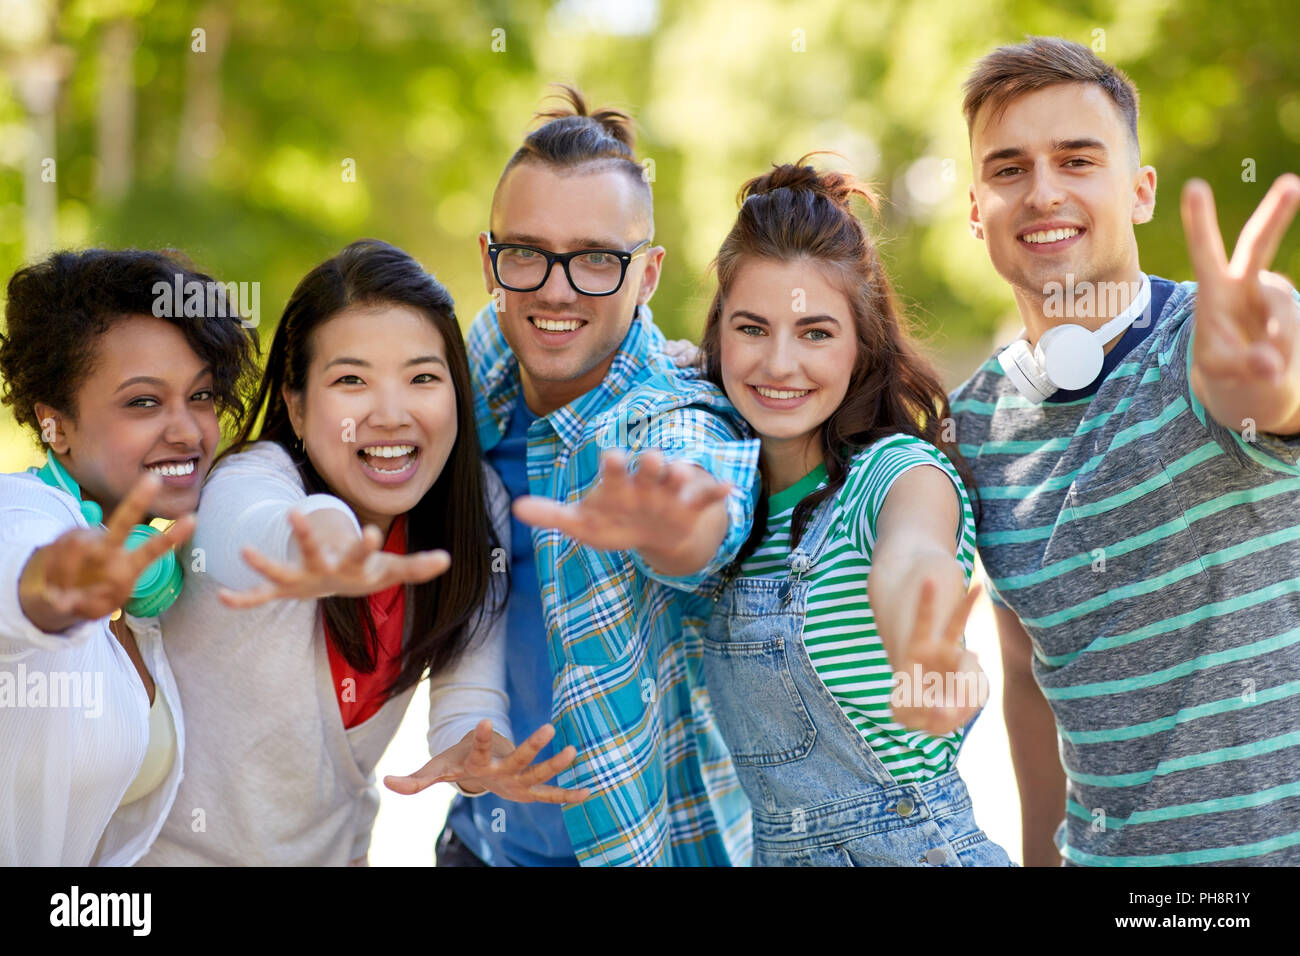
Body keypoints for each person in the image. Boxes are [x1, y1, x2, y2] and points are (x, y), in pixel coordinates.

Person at [949, 35, 1300, 866]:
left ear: (1139, 192)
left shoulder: (1211, 340)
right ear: (975, 210)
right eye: (1008, 170)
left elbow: (1269, 386)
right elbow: (1029, 678)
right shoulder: (970, 427)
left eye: (1077, 161)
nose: (1042, 193)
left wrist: (1265, 380)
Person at [139, 239, 586, 867]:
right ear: (295, 405)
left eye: (422, 377)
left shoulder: (473, 505)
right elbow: (248, 532)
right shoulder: (248, 482)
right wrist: (325, 538)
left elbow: (469, 688)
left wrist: (473, 747)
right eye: (351, 380)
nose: (390, 413)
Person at [404, 87, 760, 866]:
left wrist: (673, 531)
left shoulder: (674, 416)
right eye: (527, 252)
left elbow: (705, 509)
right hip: (477, 849)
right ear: (490, 259)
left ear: (649, 274)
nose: (557, 289)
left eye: (598, 258)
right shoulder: (461, 401)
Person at [686, 158, 1010, 866]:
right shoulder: (723, 509)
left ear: (862, 343)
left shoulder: (897, 477)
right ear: (719, 335)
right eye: (752, 328)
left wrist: (931, 661)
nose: (778, 363)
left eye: (815, 333)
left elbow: (913, 559)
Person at [0, 248, 258, 864]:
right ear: (54, 422)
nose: (189, 431)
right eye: (143, 402)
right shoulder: (25, 513)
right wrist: (57, 584)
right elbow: (20, 570)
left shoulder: (153, 570)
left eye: (201, 396)